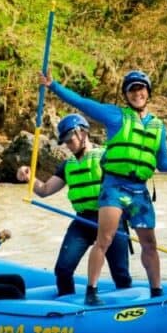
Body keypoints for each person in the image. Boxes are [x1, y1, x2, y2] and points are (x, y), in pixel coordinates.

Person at [42, 69, 167, 306]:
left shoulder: (158, 127)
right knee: (105, 238)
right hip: (115, 186)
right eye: (132, 90)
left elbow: (162, 163)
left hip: (139, 190)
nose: (137, 93)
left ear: (148, 92)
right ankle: (91, 292)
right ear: (126, 94)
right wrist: (54, 86)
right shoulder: (116, 116)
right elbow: (82, 103)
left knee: (149, 244)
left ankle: (157, 293)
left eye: (141, 88)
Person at [17, 113, 133, 296]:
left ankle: (129, 309)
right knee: (62, 270)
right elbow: (45, 190)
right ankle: (67, 309)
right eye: (66, 142)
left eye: (70, 141)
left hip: (110, 220)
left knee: (120, 274)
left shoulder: (106, 157)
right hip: (82, 221)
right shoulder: (67, 165)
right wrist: (29, 177)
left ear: (83, 133)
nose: (69, 146)